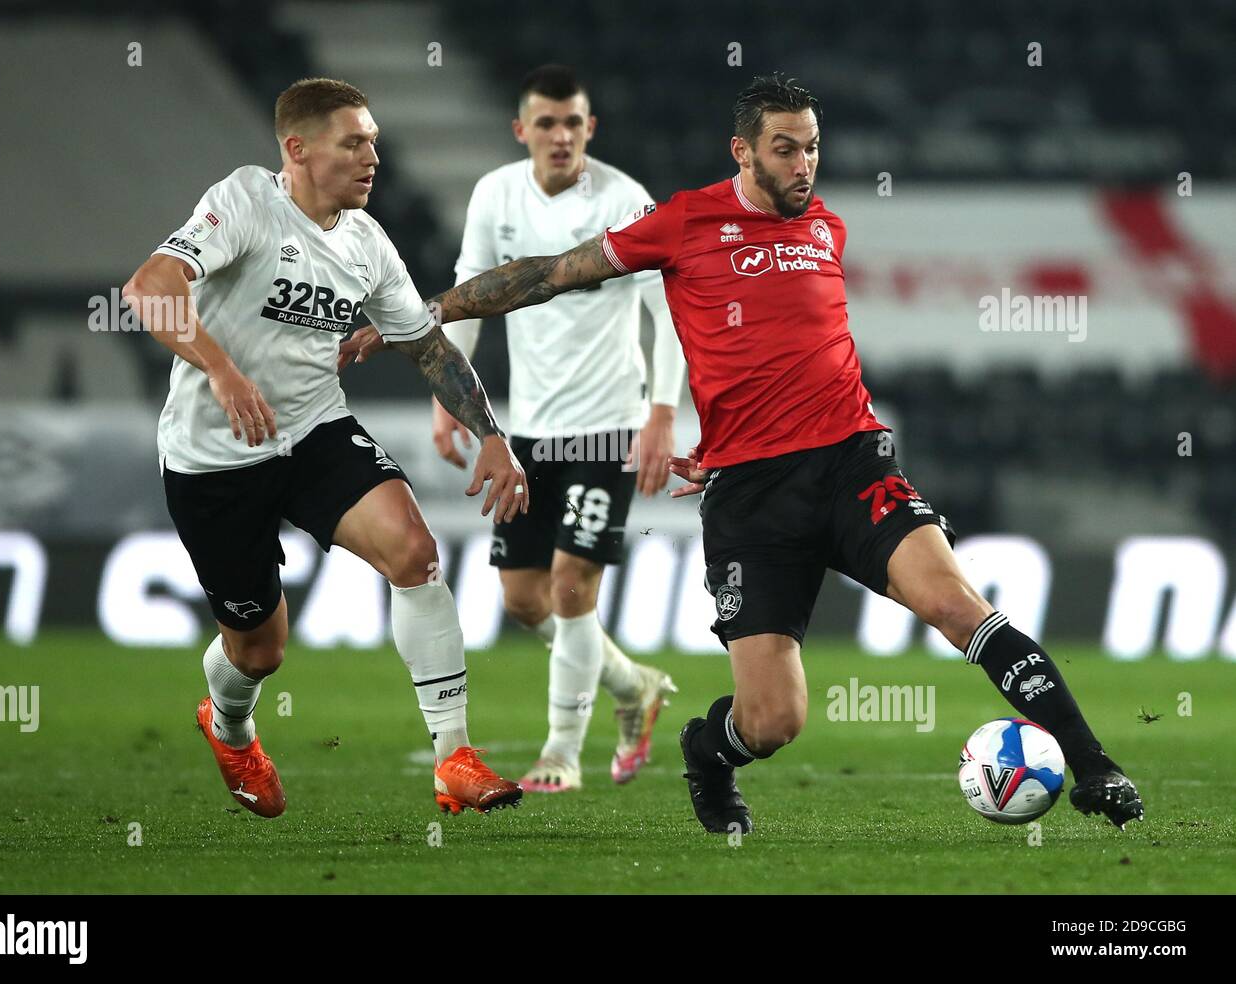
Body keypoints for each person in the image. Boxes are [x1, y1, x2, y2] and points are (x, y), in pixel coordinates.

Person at [343, 73, 1144, 834]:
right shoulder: (685, 223)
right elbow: (553, 274)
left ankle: (1094, 764)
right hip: (752, 498)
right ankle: (706, 751)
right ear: (744, 151)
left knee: (955, 604)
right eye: (787, 148)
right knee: (772, 721)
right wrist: (431, 312)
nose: (805, 165)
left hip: (853, 465)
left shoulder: (825, 228)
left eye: (814, 147)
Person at [122, 77, 528, 818]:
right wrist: (220, 369)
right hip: (215, 457)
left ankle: (453, 758)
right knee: (258, 651)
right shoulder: (248, 201)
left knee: (414, 550)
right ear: (298, 149)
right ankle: (231, 725)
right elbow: (149, 286)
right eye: (354, 142)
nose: (373, 155)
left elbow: (427, 346)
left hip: (313, 433)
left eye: (373, 139)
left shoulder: (368, 242)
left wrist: (491, 437)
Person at [433, 65, 685, 791]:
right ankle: (633, 684)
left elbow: (662, 313)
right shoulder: (495, 195)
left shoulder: (622, 198)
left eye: (573, 122)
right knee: (522, 599)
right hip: (529, 432)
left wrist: (662, 413)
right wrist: (449, 400)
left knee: (574, 587)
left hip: (608, 426)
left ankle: (561, 752)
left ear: (590, 128)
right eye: (546, 123)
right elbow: (468, 298)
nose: (561, 136)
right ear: (522, 131)